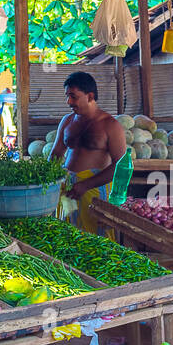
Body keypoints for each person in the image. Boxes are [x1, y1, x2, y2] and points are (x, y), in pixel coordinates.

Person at [53, 71, 127, 232]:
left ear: (90, 96)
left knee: (95, 243)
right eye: (67, 96)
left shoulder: (110, 125)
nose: (69, 101)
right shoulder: (67, 121)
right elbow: (56, 154)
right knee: (66, 236)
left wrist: (85, 185)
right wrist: (48, 180)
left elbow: (121, 167)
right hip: (67, 189)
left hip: (94, 190)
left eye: (73, 96)